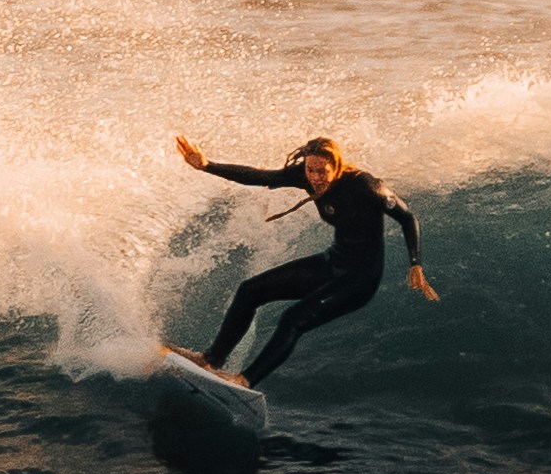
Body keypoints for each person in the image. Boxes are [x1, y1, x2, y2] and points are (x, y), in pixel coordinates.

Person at [174, 133, 438, 387]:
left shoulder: (366, 186)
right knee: (249, 291)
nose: (315, 177)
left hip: (361, 278)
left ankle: (245, 380)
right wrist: (207, 166)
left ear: (336, 167)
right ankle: (210, 360)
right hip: (333, 263)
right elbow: (260, 176)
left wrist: (416, 263)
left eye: (322, 171)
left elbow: (408, 218)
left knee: (293, 318)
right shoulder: (307, 176)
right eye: (311, 170)